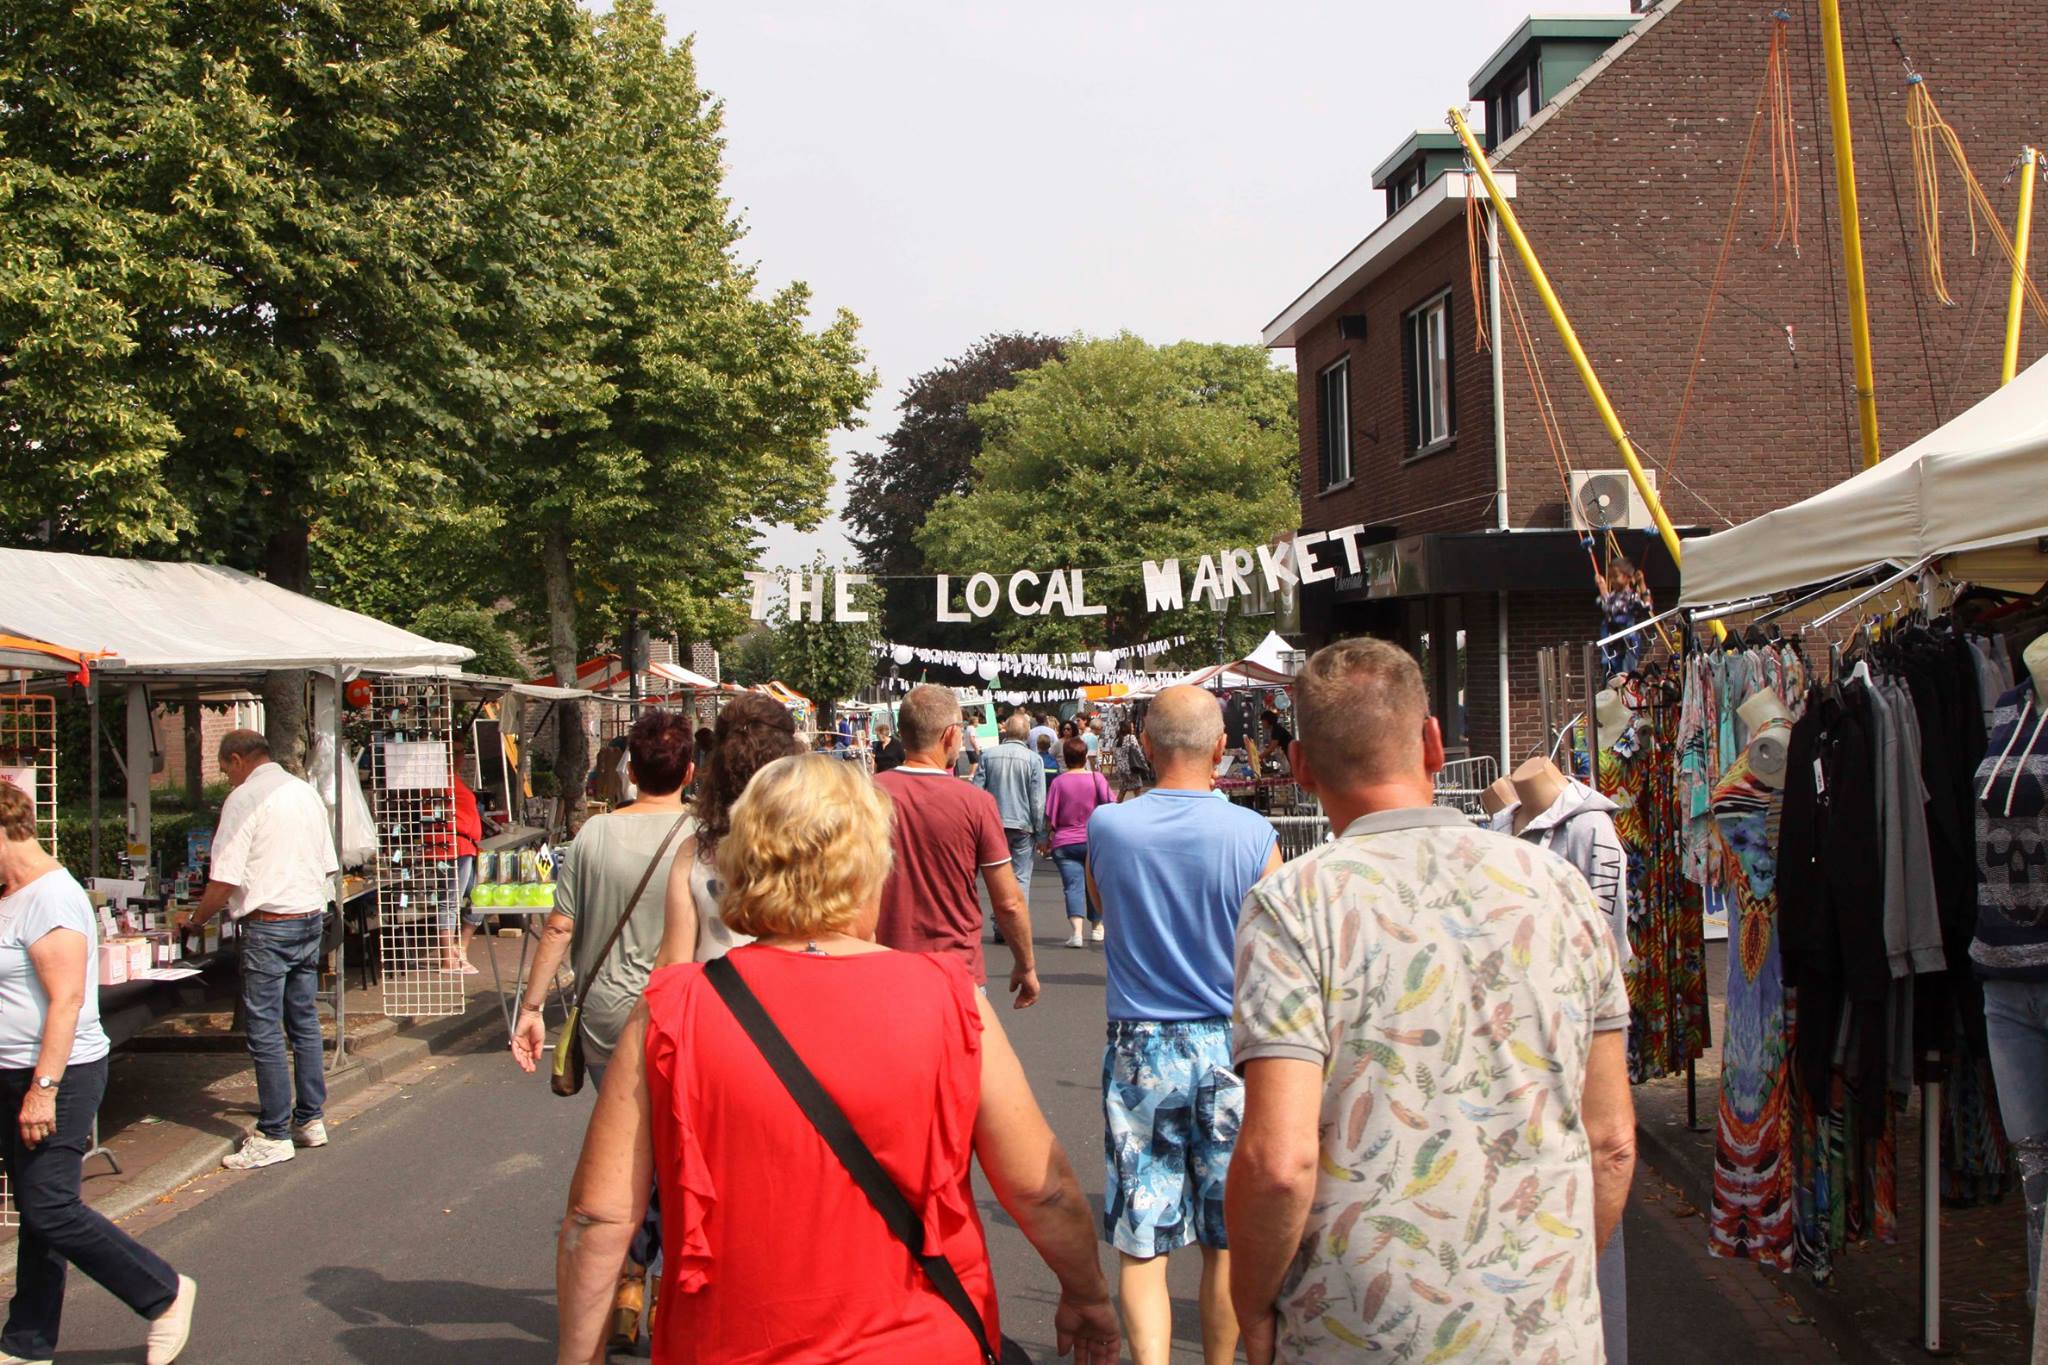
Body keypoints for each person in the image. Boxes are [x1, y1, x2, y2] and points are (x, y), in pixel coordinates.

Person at [554, 755, 1120, 1363]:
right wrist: (1087, 1295)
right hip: (919, 1342)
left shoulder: (673, 1008)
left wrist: (577, 1355)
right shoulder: (947, 997)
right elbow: (1042, 1188)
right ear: (870, 868)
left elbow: (599, 1216)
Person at [1226, 639, 1635, 1365]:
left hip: (1360, 1329)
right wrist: (1551, 1279)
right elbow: (1611, 1140)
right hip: (1543, 1326)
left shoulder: (1294, 904)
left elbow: (1279, 1161)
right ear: (1434, 743)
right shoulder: (1560, 887)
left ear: (1300, 768)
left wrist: (1252, 1306)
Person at [1083, 685, 1280, 1365]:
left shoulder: (1110, 827)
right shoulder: (1257, 836)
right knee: (1228, 1236)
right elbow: (1270, 950)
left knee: (1143, 1235)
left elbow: (1102, 902)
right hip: (1230, 1045)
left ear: (1144, 743)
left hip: (1141, 1044)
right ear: (1222, 747)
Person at [512, 709, 695, 1352]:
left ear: (629, 770)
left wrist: (532, 1007)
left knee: (626, 1156)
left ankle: (626, 1282)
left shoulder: (591, 835)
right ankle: (670, 1287)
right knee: (679, 1157)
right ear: (689, 771)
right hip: (683, 1017)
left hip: (607, 1017)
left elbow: (559, 927)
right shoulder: (702, 835)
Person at [0, 783, 197, 1365]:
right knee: (41, 1212)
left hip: (54, 1074)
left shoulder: (51, 898)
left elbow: (65, 1002)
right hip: (12, 1069)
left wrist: (43, 1090)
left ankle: (164, 1293)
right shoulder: (9, 891)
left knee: (50, 1208)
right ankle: (27, 1342)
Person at [186, 729, 338, 1172]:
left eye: (224, 770)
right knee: (304, 1023)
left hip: (269, 923)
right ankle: (310, 1118)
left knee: (267, 1030)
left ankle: (274, 1132)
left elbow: (226, 877)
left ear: (237, 760)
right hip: (307, 916)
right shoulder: (303, 792)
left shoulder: (245, 799)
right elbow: (327, 862)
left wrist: (196, 919)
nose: (227, 779)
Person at [873, 685, 1038, 1008]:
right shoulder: (974, 802)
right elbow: (1008, 902)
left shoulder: (867, 793)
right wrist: (1026, 963)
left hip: (884, 967)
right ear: (949, 735)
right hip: (955, 971)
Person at [658, 692, 805, 967]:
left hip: (719, 1001)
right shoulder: (822, 843)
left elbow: (674, 961)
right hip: (805, 1000)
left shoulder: (697, 852)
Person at [1042, 738, 1114, 948]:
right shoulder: (1096, 778)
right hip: (1094, 841)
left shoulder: (1058, 782)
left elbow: (1050, 815)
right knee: (1095, 885)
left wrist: (1046, 838)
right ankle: (1097, 928)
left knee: (1072, 886)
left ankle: (1076, 933)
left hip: (1065, 842)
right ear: (1085, 757)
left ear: (1065, 757)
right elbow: (1110, 805)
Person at [973, 712, 1048, 902]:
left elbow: (976, 793)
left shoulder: (988, 756)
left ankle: (1000, 920)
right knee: (1021, 877)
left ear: (1006, 730)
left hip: (995, 825)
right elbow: (1037, 801)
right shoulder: (1033, 760)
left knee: (998, 875)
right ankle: (1016, 923)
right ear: (1027, 734)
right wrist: (1041, 833)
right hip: (1023, 825)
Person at [430, 734, 486, 976]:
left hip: (467, 846)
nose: (462, 757)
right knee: (450, 899)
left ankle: (460, 949)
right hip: (453, 845)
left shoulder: (454, 779)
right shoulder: (438, 780)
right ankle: (448, 958)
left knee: (480, 896)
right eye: (458, 752)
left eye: (462, 752)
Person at [1595, 553, 1654, 678]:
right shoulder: (1612, 596)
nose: (1612, 580)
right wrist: (1602, 588)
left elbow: (1647, 607)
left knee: (1625, 677)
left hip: (1628, 644)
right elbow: (1606, 608)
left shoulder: (1631, 596)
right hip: (1611, 644)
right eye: (1610, 577)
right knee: (1610, 677)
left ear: (1627, 577)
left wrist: (1642, 584)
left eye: (1615, 576)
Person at [1111, 721, 1150, 802]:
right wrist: (1145, 766)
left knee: (1123, 789)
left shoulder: (1116, 740)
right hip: (1131, 768)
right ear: (1127, 728)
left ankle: (1116, 806)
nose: (1133, 728)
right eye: (1131, 727)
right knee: (1137, 789)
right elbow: (1138, 752)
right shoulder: (1131, 738)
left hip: (1120, 769)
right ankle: (1139, 808)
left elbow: (1115, 755)